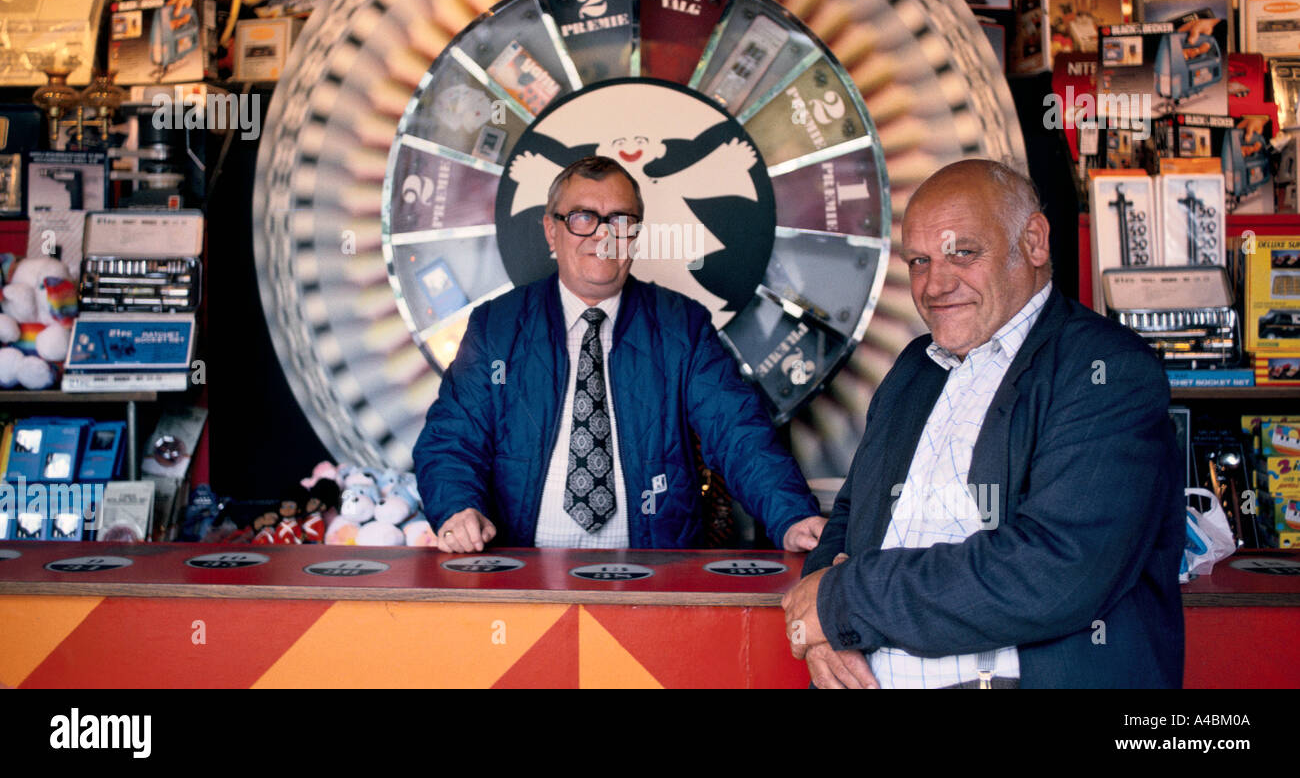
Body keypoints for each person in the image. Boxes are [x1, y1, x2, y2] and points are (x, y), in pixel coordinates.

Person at [781, 159, 1184, 688]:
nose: (935, 285)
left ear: (1034, 242)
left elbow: (1056, 571)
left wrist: (844, 603)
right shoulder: (915, 368)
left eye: (962, 253)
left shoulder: (1106, 370)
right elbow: (852, 516)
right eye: (920, 261)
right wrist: (818, 625)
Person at [413, 155, 825, 553]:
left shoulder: (683, 325)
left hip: (655, 578)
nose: (602, 235)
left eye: (620, 220)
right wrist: (457, 509)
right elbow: (452, 439)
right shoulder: (497, 327)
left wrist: (791, 516)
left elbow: (738, 433)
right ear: (550, 231)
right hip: (525, 574)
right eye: (582, 217)